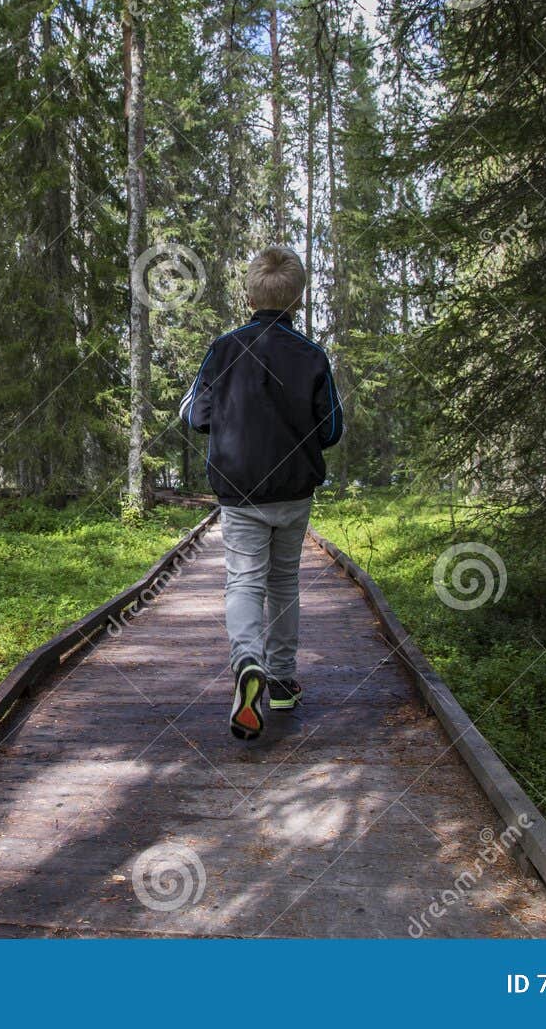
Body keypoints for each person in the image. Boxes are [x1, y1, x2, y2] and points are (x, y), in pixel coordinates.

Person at [179, 244, 342, 740]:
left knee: (244, 581)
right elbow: (332, 429)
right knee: (284, 582)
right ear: (298, 298)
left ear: (249, 295)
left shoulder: (224, 349)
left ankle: (246, 659)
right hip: (293, 493)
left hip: (239, 490)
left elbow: (194, 415)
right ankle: (283, 680)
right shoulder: (312, 356)